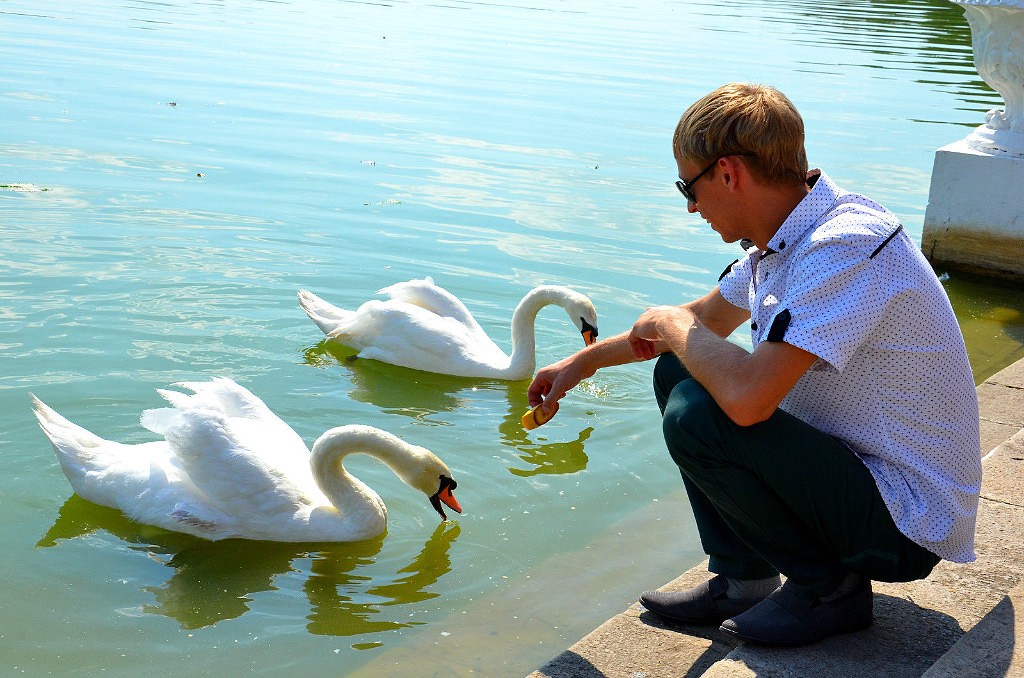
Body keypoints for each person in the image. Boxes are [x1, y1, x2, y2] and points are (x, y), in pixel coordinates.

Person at [527, 82, 982, 646]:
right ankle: (744, 577)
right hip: (859, 474)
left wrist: (672, 326)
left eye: (687, 187)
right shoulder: (790, 234)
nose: (691, 207)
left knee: (700, 412)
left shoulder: (842, 246)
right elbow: (704, 319)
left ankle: (828, 590)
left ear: (727, 173)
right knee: (678, 373)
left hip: (906, 520)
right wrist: (583, 361)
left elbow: (741, 396)